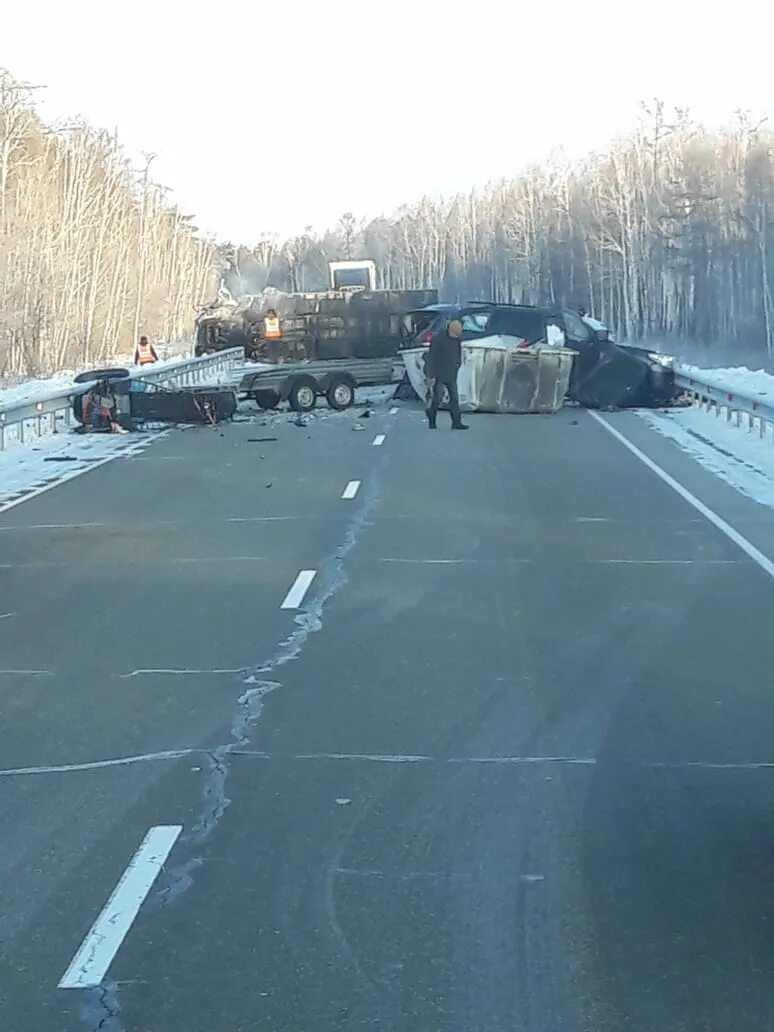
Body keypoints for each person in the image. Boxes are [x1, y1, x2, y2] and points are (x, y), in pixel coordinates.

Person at [426, 318, 468, 430]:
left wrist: (458, 364)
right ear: (449, 330)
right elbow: (431, 357)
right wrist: (430, 375)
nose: (456, 337)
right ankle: (432, 416)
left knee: (454, 398)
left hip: (451, 372)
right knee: (438, 398)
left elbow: (458, 352)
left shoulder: (457, 339)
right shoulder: (437, 339)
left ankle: (456, 422)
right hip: (439, 373)